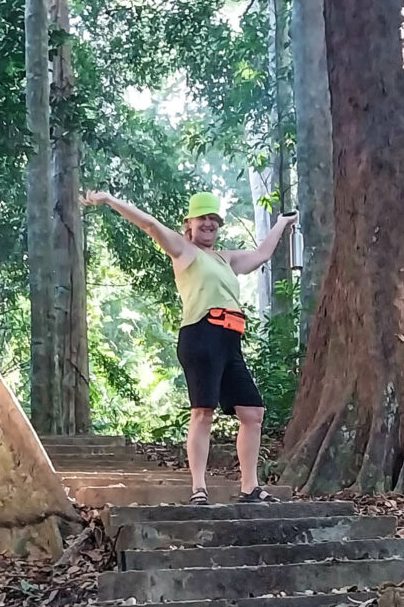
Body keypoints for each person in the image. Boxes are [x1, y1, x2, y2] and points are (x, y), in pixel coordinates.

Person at [83, 188, 295, 504]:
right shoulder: (184, 250)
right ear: (190, 224)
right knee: (203, 412)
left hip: (230, 339)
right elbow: (150, 225)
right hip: (201, 335)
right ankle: (198, 488)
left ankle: (249, 488)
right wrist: (111, 201)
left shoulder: (226, 259)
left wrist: (282, 223)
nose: (209, 224)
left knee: (252, 412)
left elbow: (262, 254)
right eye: (203, 219)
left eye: (214, 219)